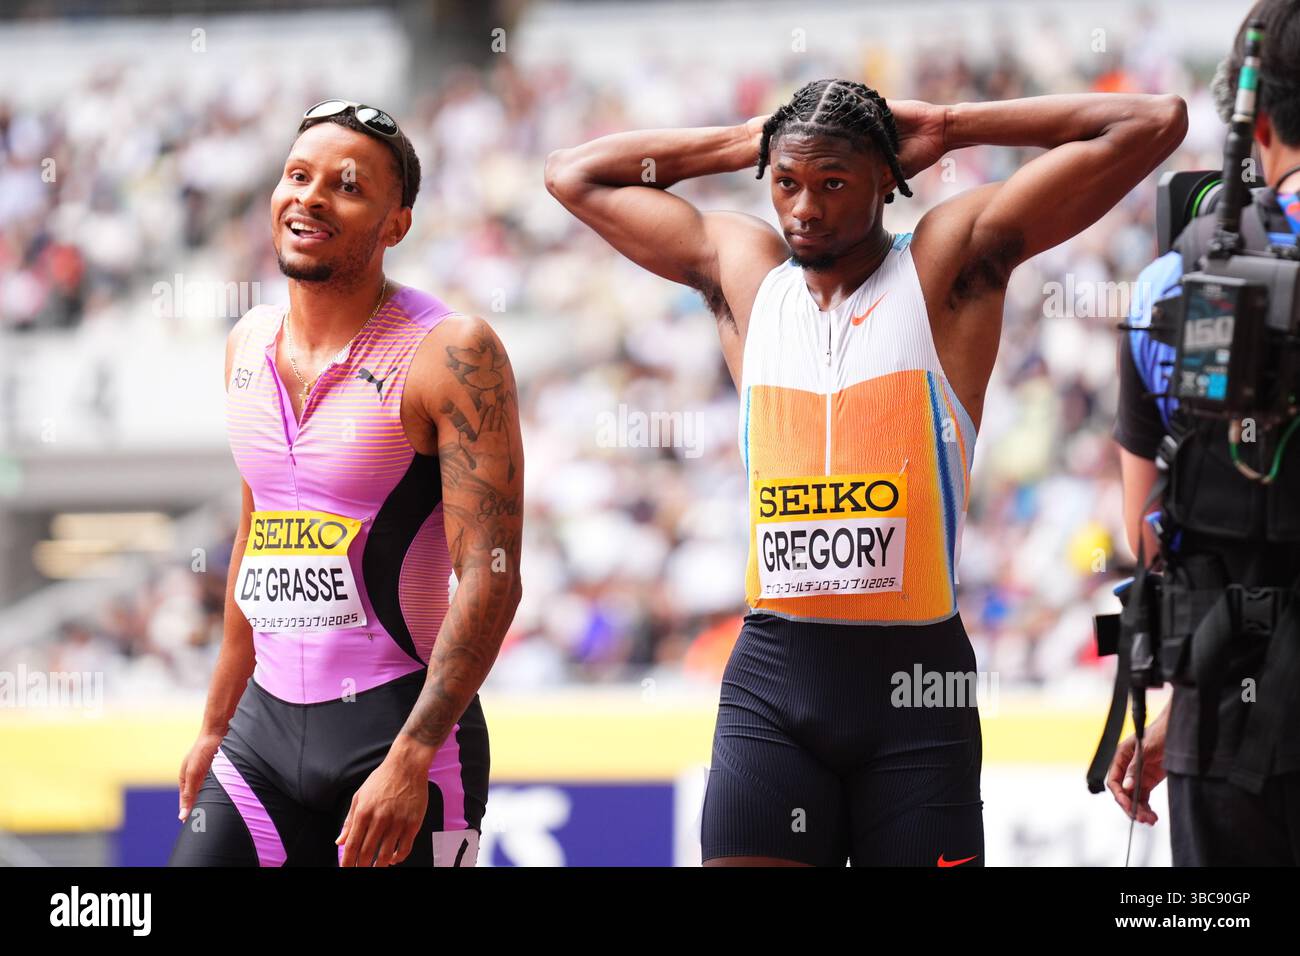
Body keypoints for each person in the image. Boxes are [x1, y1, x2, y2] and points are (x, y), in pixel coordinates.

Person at [547, 79, 1186, 865]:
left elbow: (1150, 122)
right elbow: (572, 175)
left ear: (887, 178)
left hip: (915, 689)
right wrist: (753, 138)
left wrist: (949, 126)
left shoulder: (948, 265)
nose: (804, 208)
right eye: (786, 182)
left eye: (833, 183)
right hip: (773, 682)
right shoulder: (745, 271)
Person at [169, 99, 523, 867]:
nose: (310, 197)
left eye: (347, 186)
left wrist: (412, 758)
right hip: (262, 731)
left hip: (399, 733)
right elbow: (255, 545)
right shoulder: (246, 342)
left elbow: (491, 580)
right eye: (297, 175)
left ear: (396, 224)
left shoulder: (453, 352)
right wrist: (214, 722)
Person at [1107, 0, 1300, 866]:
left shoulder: (1165, 286)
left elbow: (1150, 534)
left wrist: (1187, 706)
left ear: (1256, 120)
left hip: (1226, 712)